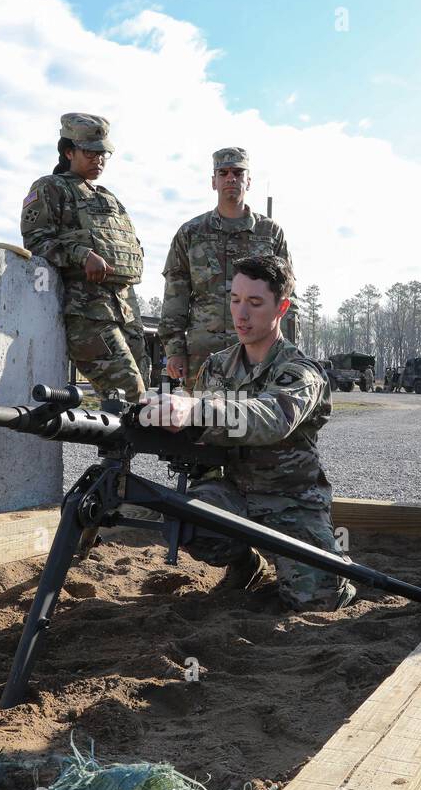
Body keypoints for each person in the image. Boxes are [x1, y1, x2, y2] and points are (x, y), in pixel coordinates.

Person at [142, 254, 355, 611]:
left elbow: (270, 418)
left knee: (316, 599)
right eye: (236, 300)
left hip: (291, 502)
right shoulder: (217, 366)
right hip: (236, 495)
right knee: (184, 512)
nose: (241, 314)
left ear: (281, 307)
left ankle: (330, 570)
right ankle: (246, 564)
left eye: (255, 303)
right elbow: (201, 435)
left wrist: (195, 409)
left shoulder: (302, 372)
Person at [21, 113, 148, 402]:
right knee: (130, 394)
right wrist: (81, 255)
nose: (98, 160)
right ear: (68, 152)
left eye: (103, 154)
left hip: (125, 312)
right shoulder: (50, 187)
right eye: (90, 152)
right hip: (88, 314)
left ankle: (118, 449)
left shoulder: (109, 198)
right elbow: (37, 240)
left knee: (143, 398)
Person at [159, 147, 292, 384]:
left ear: (248, 181)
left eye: (238, 173)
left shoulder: (270, 233)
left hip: (259, 354)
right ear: (214, 182)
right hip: (203, 356)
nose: (231, 178)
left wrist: (288, 349)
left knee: (252, 418)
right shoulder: (191, 233)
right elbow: (175, 297)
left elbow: (287, 297)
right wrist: (174, 350)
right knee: (202, 417)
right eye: (223, 173)